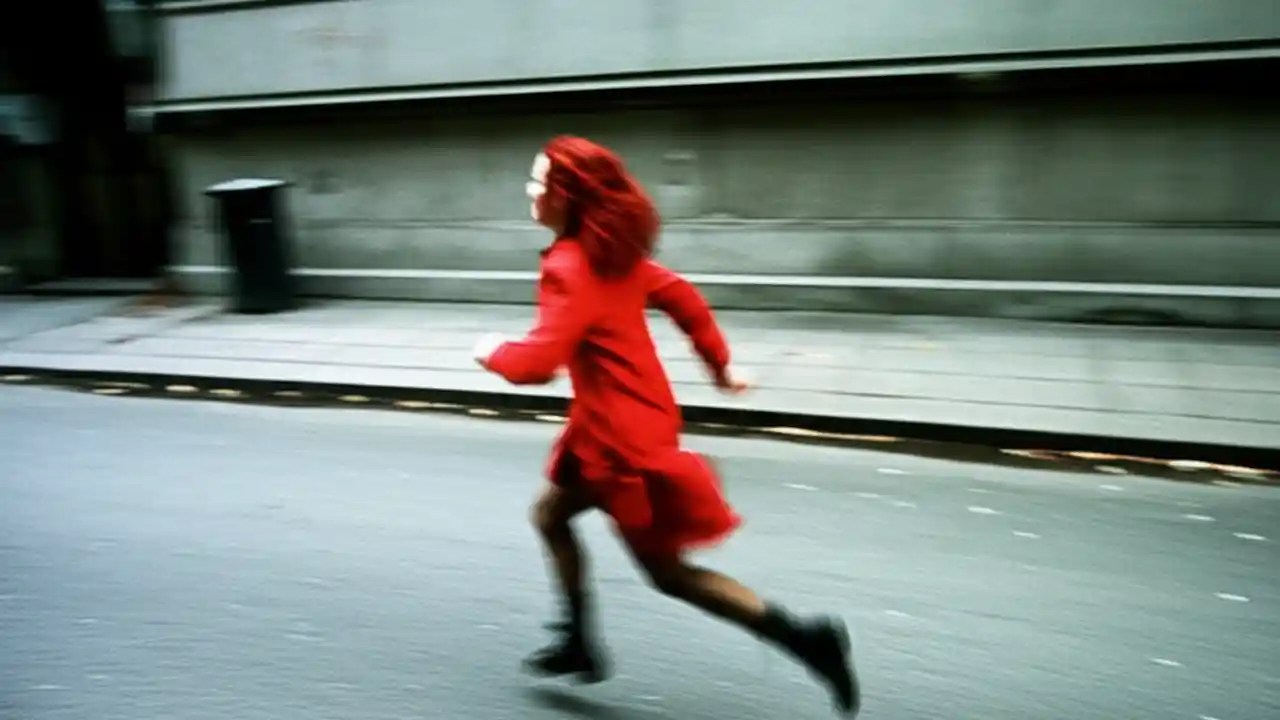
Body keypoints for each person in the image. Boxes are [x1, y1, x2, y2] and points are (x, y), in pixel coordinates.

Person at [473, 136, 859, 715]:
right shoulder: (612, 256)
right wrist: (720, 366)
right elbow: (683, 298)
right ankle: (578, 641)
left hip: (621, 446)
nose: (530, 191)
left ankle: (807, 640)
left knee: (670, 576)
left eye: (540, 182)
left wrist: (490, 350)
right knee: (549, 514)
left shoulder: (570, 267)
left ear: (568, 197)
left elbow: (537, 364)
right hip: (619, 421)